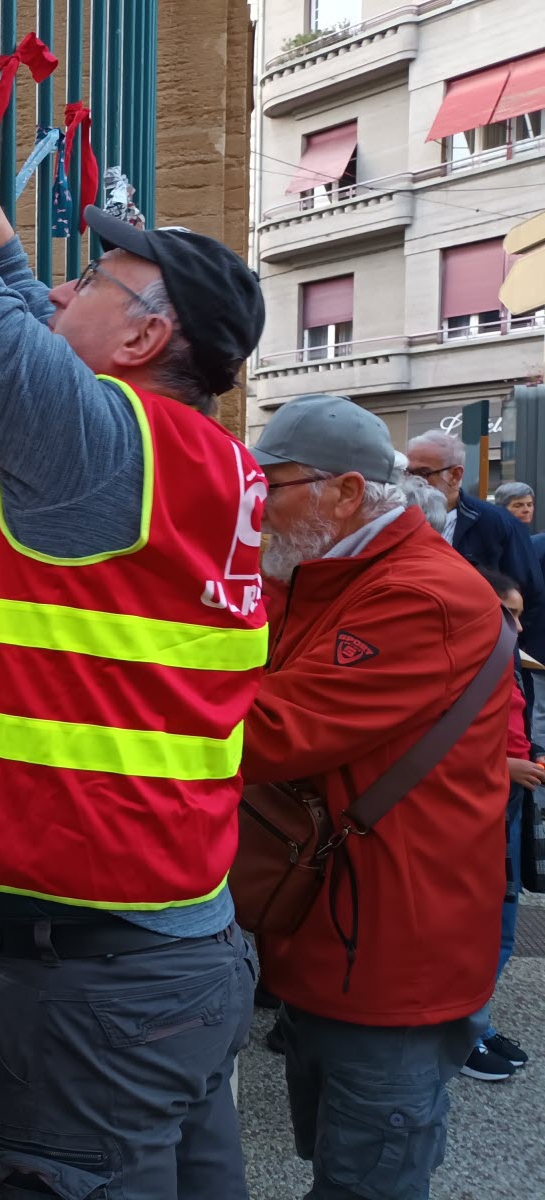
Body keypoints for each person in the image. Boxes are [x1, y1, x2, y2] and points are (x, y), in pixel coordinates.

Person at [0, 1, 268, 1193]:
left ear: (142, 337)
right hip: (180, 949)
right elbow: (2, 268)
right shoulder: (187, 454)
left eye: (97, 279)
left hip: (100, 995)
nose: (61, 288)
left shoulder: (92, 443)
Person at [247, 395, 511, 1200]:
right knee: (344, 1167)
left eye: (271, 487)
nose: (257, 509)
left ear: (347, 493)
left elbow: (269, 732)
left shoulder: (418, 596)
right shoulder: (329, 572)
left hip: (392, 959)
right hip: (337, 935)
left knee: (366, 1184)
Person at [469, 567, 538, 1082]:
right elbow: (432, 743)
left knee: (503, 926)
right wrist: (504, 766)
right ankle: (462, 1031)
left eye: (518, 615)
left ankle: (477, 1021)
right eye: (506, 614)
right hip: (480, 808)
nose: (516, 626)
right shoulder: (467, 661)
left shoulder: (507, 658)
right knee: (481, 928)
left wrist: (527, 758)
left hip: (508, 804)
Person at [405, 429, 545, 663]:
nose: (412, 481)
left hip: (479, 655)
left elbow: (528, 594)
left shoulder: (497, 524)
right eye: (407, 472)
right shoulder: (393, 516)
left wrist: (509, 651)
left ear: (455, 475)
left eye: (423, 473)